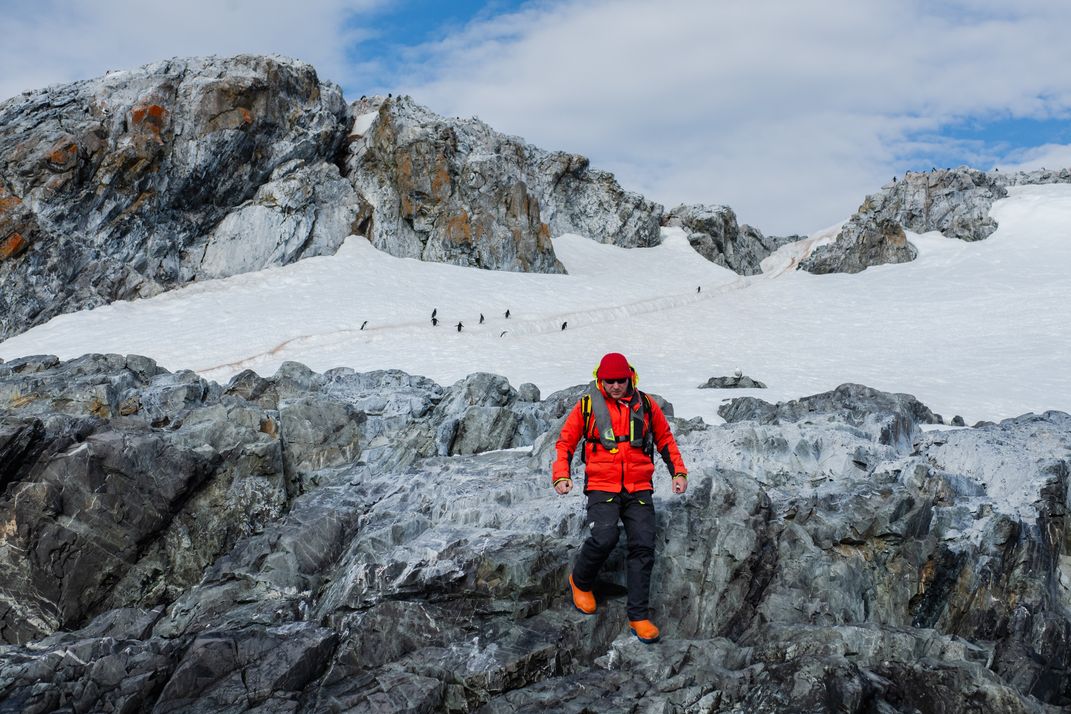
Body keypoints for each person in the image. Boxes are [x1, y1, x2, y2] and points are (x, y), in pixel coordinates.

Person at [552, 352, 688, 644]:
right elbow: (566, 442)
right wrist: (562, 475)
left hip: (639, 487)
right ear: (601, 380)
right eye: (609, 381)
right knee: (604, 537)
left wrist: (679, 472)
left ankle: (638, 617)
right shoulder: (588, 406)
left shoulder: (647, 405)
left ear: (630, 377)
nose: (615, 386)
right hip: (602, 485)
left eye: (620, 380)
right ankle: (581, 581)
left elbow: (665, 439)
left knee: (643, 547)